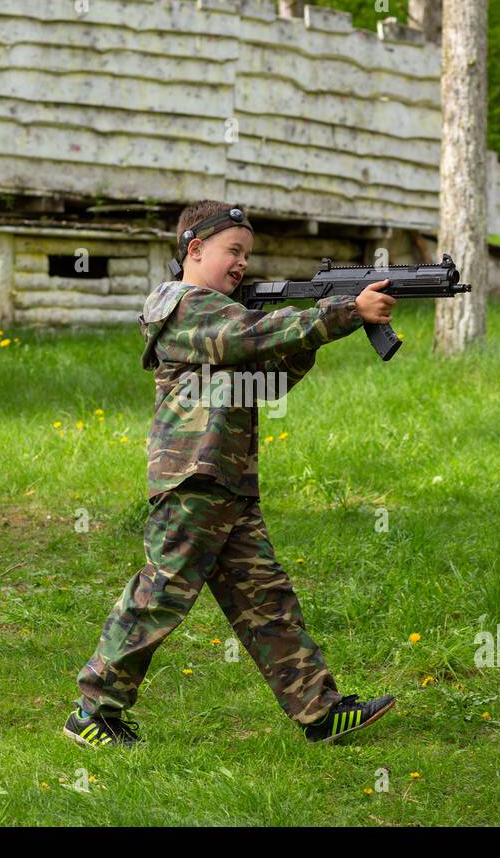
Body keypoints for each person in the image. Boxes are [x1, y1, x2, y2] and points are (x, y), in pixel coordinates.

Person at [65, 200, 398, 748]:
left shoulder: (226, 319)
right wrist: (341, 314)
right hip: (192, 478)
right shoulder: (181, 307)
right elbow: (245, 335)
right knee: (162, 594)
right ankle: (92, 710)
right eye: (233, 251)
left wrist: (311, 334)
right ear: (194, 250)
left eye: (248, 254)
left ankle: (320, 711)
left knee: (266, 598)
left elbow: (264, 383)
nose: (243, 263)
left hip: (230, 481)